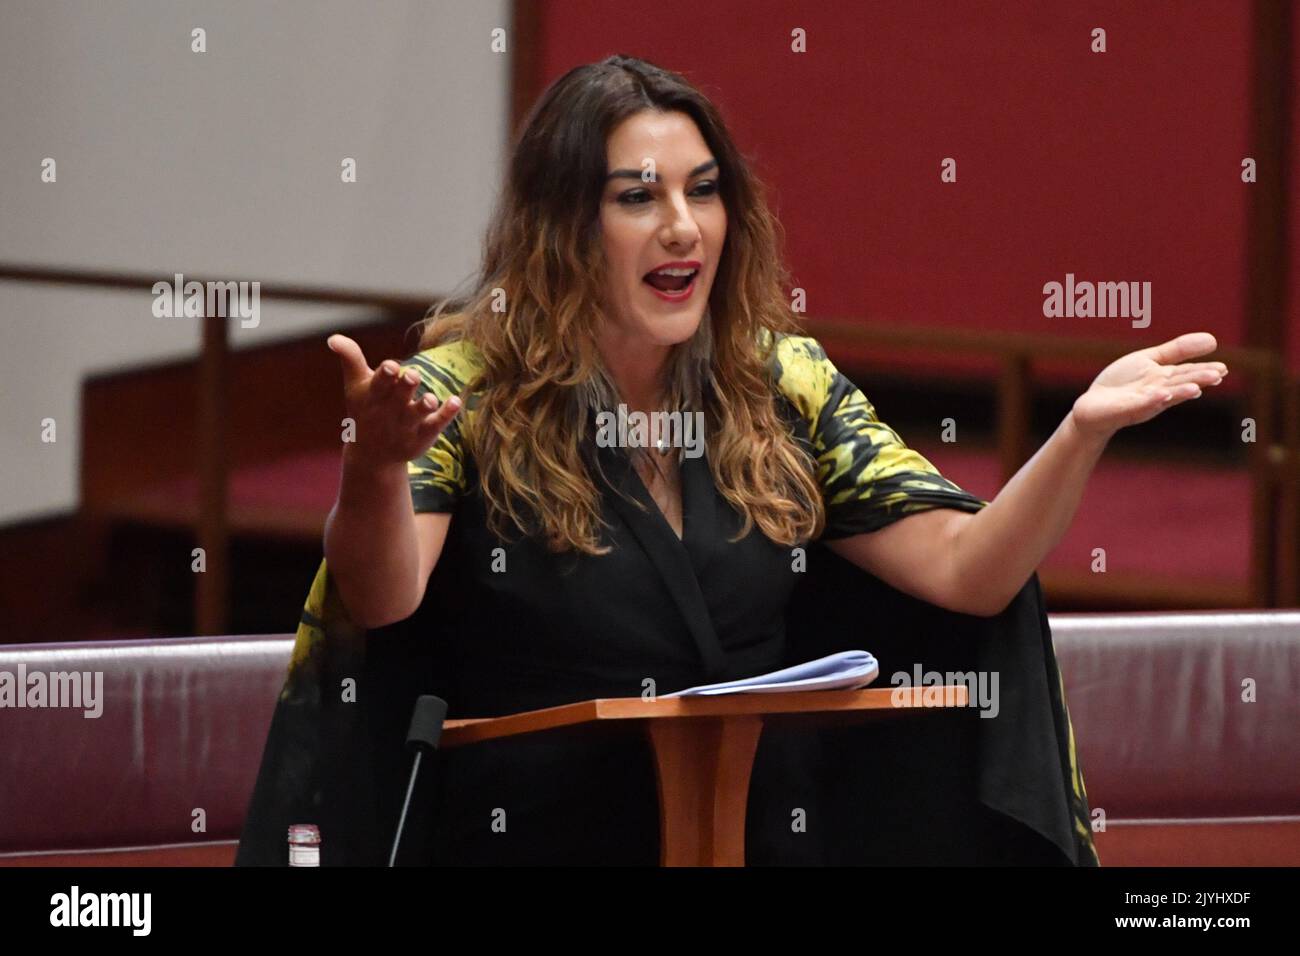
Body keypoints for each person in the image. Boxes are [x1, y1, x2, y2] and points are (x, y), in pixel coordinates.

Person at [236, 55, 1226, 867]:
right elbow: (382, 595)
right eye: (638, 196)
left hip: (757, 834)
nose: (681, 224)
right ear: (561, 229)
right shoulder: (465, 388)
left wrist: (1079, 431)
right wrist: (371, 464)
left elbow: (970, 573)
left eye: (703, 192)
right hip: (534, 839)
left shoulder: (778, 381)